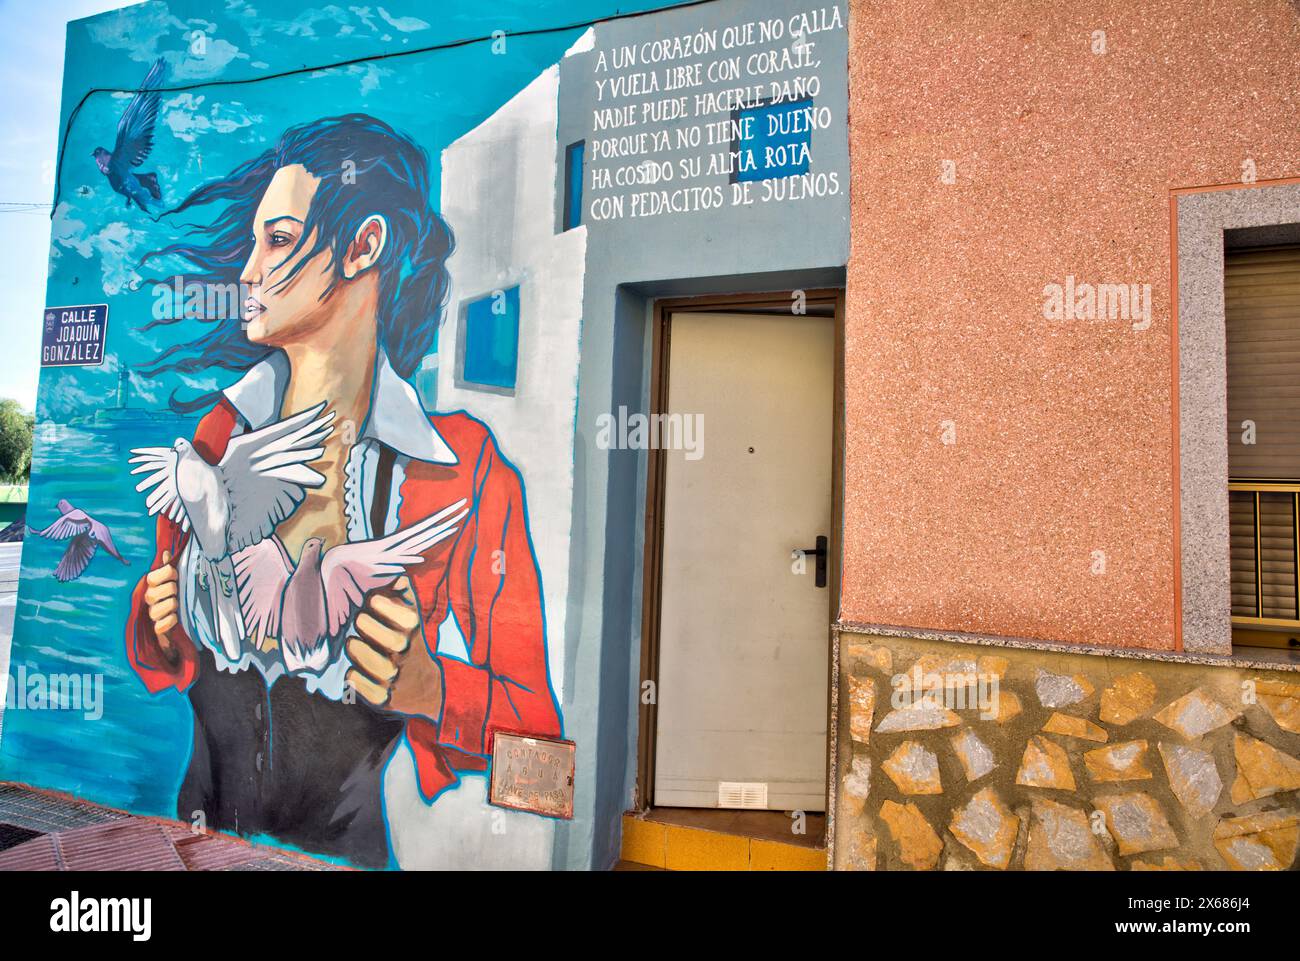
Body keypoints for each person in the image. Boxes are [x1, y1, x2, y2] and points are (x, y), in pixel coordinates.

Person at [125, 114, 562, 868]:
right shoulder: (216, 439)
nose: (247, 274)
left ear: (363, 245)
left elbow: (549, 769)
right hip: (188, 852)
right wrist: (159, 622)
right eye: (254, 241)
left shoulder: (462, 471)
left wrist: (432, 687)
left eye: (280, 240)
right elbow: (167, 656)